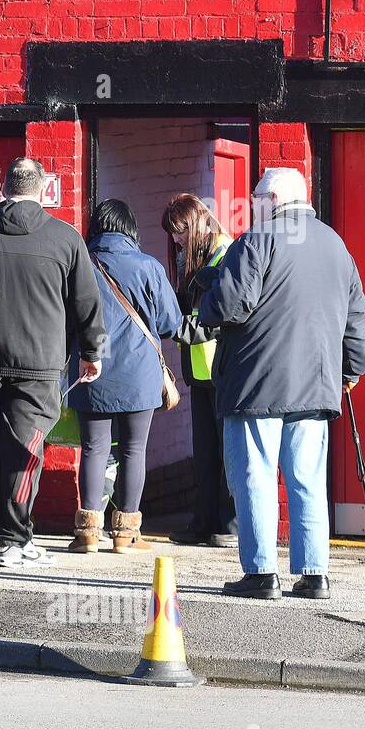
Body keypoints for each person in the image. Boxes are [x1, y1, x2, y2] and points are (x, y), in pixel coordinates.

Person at [199, 168, 365, 600]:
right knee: (307, 479)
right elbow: (357, 321)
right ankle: (314, 575)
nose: (252, 204)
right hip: (315, 385)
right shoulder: (336, 244)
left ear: (273, 197)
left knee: (254, 476)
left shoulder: (257, 241)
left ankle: (261, 574)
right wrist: (350, 371)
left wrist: (208, 295)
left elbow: (230, 306)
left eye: (256, 197)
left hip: (256, 384)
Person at [0, 158, 105, 567]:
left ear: (1, 190)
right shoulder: (65, 238)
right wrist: (91, 353)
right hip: (40, 362)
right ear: (41, 189)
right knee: (25, 450)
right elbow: (86, 303)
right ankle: (15, 540)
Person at [67, 199, 181, 554]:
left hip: (92, 367)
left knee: (94, 448)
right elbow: (169, 323)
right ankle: (126, 534)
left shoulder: (79, 262)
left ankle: (87, 532)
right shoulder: (147, 266)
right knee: (134, 450)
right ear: (129, 227)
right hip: (138, 374)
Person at [163, 193, 238, 548]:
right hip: (201, 370)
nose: (176, 241)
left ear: (195, 225)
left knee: (227, 452)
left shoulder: (226, 253)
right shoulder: (198, 255)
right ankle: (204, 522)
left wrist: (180, 330)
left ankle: (229, 524)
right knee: (205, 453)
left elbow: (222, 316)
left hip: (221, 370)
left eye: (179, 232)